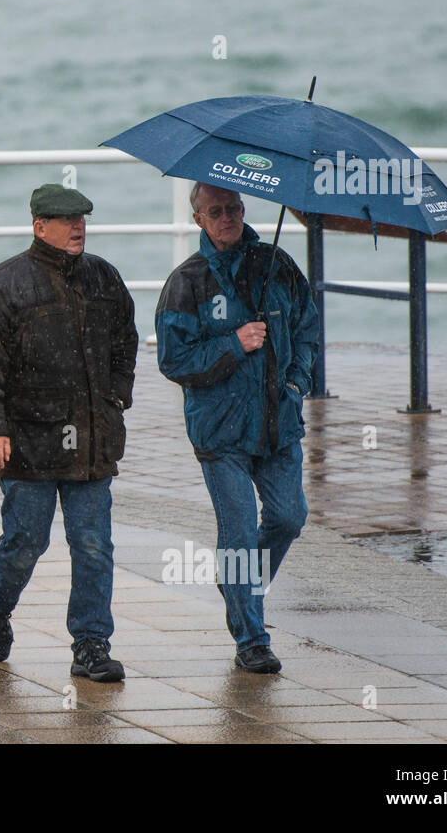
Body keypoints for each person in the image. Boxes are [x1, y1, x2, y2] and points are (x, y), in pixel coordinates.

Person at [0, 183, 138, 682]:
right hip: (28, 440)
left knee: (93, 545)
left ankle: (91, 644)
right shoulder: (6, 283)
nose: (78, 227)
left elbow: (126, 340)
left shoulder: (105, 277)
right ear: (40, 226)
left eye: (82, 219)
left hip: (92, 438)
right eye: (66, 221)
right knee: (25, 542)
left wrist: (118, 394)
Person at [155, 183, 320, 674]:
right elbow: (173, 359)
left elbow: (309, 330)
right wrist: (234, 343)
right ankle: (252, 638)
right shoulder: (187, 282)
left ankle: (238, 586)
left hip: (279, 424)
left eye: (232, 209)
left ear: (244, 210)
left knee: (289, 516)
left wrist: (296, 383)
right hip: (220, 430)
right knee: (240, 533)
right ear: (198, 219)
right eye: (214, 212)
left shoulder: (278, 266)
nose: (226, 218)